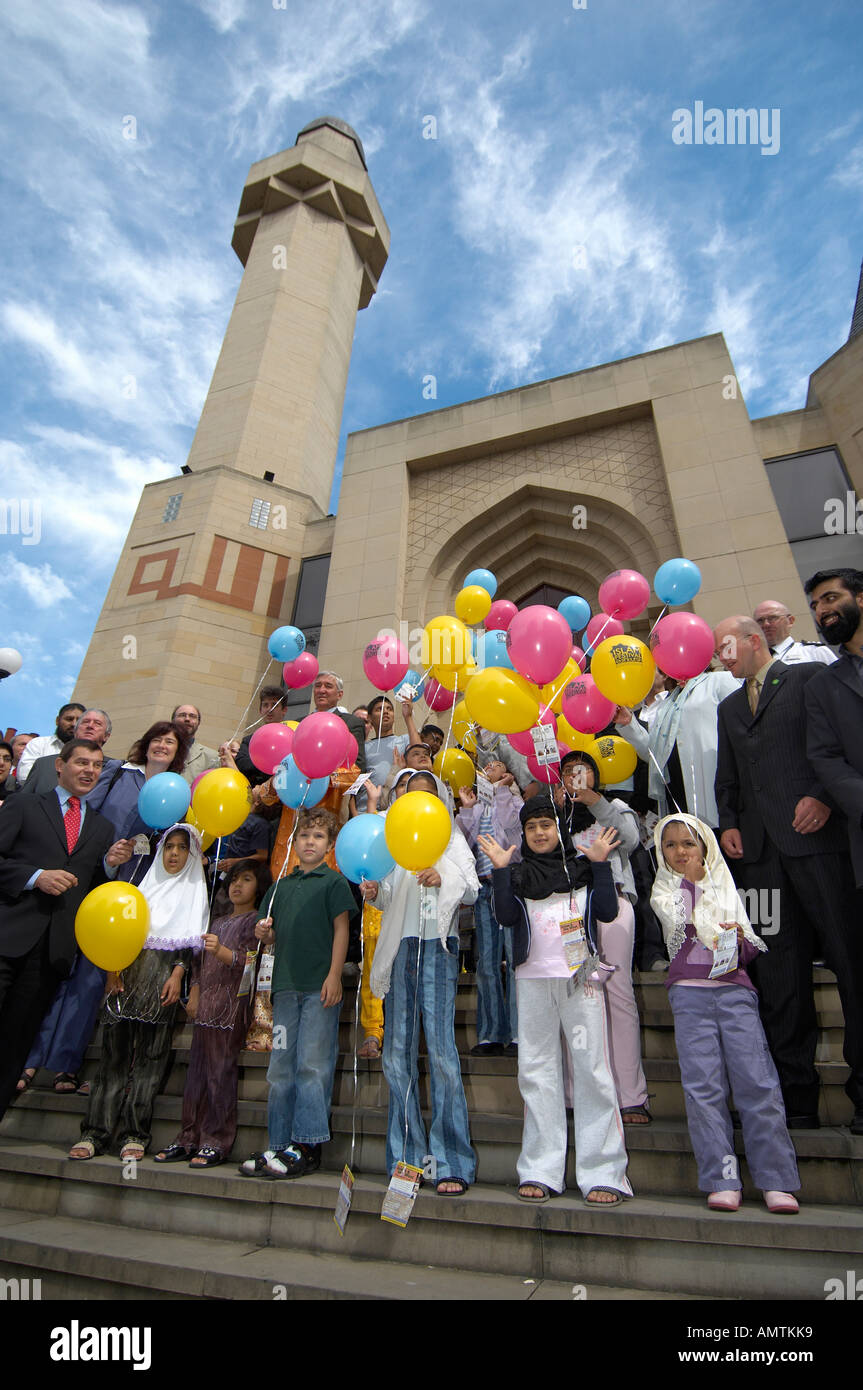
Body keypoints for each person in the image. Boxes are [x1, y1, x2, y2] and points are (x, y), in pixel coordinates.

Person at [714, 615, 863, 1131]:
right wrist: (728, 824)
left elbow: (832, 750)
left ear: (755, 640)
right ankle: (795, 1099)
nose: (721, 656)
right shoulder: (729, 706)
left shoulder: (807, 679)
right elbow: (727, 778)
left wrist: (823, 797)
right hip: (759, 864)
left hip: (816, 845)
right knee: (778, 976)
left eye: (727, 645)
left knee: (847, 957)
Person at [20, 719, 189, 1096]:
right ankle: (30, 1059)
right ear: (145, 744)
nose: (163, 746)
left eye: (171, 743)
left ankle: (65, 1064)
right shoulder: (117, 774)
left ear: (179, 754)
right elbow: (80, 816)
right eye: (158, 739)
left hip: (131, 891)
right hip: (86, 879)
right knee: (58, 970)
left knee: (91, 981)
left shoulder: (177, 791)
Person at [478, 797, 632, 1204]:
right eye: (532, 827)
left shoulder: (581, 867)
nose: (540, 833)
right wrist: (499, 871)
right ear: (524, 833)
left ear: (559, 829)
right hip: (531, 984)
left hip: (579, 983)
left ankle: (605, 1172)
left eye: (547, 824)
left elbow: (607, 909)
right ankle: (541, 1169)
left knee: (592, 1071)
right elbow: (506, 917)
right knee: (536, 1072)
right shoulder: (518, 873)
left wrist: (600, 864)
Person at [650, 815, 800, 1213]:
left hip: (735, 993)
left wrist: (734, 936)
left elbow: (750, 946)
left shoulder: (727, 885)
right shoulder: (665, 888)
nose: (681, 852)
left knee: (758, 1084)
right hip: (689, 995)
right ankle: (722, 1177)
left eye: (689, 844)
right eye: (671, 845)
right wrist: (692, 884)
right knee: (703, 1089)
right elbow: (677, 926)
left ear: (706, 848)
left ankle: (777, 1180)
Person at [0, 740, 133, 1120]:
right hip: (7, 937)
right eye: (81, 762)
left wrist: (108, 865)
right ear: (60, 765)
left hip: (50, 954)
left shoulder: (101, 827)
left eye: (96, 764)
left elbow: (88, 887)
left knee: (15, 1046)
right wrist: (34, 877)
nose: (89, 770)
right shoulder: (26, 805)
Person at [360, 771, 479, 1195]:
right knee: (396, 1055)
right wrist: (374, 892)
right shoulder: (393, 837)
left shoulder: (450, 836)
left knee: (443, 1053)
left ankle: (452, 1161)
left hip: (438, 949)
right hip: (401, 946)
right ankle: (407, 1158)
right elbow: (390, 895)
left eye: (427, 794)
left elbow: (472, 889)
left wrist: (442, 877)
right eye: (412, 795)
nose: (419, 801)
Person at [68, 824, 209, 1160]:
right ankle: (95, 1132)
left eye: (181, 848)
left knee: (151, 1060)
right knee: (112, 1058)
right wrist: (112, 973)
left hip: (163, 982)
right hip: (124, 979)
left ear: (192, 854)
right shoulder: (142, 889)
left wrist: (177, 975)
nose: (174, 854)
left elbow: (190, 939)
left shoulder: (194, 891)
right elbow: (121, 932)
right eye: (169, 847)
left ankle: (135, 1133)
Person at [238, 808, 354, 1179]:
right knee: (280, 1068)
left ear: (330, 846)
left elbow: (341, 931)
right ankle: (278, 1143)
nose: (309, 842)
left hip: (318, 988)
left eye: (318, 837)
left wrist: (334, 975)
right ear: (294, 840)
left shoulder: (333, 882)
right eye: (304, 835)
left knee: (312, 1065)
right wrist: (265, 935)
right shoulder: (279, 887)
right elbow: (272, 934)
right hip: (285, 989)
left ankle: (306, 1144)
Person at [154, 858, 272, 1167]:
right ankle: (188, 1136)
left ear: (258, 886)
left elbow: (250, 964)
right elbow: (197, 964)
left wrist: (221, 951)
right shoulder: (216, 922)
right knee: (196, 1076)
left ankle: (216, 1140)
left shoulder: (255, 922)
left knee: (221, 1074)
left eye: (246, 879)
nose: (237, 885)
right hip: (205, 1005)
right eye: (234, 879)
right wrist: (193, 992)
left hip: (232, 1007)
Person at [554, 750, 650, 1123]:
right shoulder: (556, 812)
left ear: (595, 775)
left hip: (613, 906)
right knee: (577, 994)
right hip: (571, 911)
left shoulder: (615, 806)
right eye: (567, 771)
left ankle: (630, 1095)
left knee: (618, 992)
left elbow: (629, 841)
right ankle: (577, 1094)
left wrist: (595, 801)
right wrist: (558, 813)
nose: (574, 777)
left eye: (582, 771)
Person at [614, 665, 739, 826]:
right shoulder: (668, 704)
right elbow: (655, 755)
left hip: (719, 799)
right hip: (677, 800)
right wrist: (630, 724)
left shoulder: (720, 681)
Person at [456, 759, 522, 1056]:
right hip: (484, 888)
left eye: (496, 764)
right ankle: (490, 1033)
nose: (489, 768)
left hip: (508, 885)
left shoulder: (513, 799)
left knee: (515, 959)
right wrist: (467, 809)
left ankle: (520, 1032)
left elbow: (512, 833)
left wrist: (505, 793)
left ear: (506, 773)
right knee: (487, 962)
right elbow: (464, 843)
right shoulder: (477, 807)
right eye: (486, 767)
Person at [18, 710, 115, 797]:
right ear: (75, 731)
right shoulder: (44, 764)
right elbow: (22, 803)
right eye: (85, 722)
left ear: (106, 736)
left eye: (97, 723)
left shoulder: (115, 770)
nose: (90, 726)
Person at [753, 599, 837, 666]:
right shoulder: (752, 663)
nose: (766, 624)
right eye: (760, 621)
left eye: (772, 618)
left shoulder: (814, 652)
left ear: (790, 621)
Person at [16, 703, 86, 783]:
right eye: (69, 719)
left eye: (79, 721)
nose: (74, 724)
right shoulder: (39, 743)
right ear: (57, 720)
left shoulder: (87, 752)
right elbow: (24, 776)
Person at [235, 687, 290, 787]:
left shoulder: (291, 739)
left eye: (275, 705)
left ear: (284, 710)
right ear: (260, 710)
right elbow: (242, 765)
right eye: (265, 705)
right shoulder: (249, 740)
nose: (269, 709)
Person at [172, 704, 219, 784]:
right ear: (173, 720)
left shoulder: (212, 757)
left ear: (198, 722)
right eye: (182, 715)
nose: (187, 719)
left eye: (192, 716)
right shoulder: (160, 749)